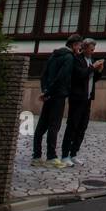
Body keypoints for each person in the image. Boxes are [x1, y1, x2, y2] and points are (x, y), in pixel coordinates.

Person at [31, 34, 82, 168]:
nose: (80, 49)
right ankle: (51, 157)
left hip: (49, 94)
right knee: (54, 125)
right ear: (74, 45)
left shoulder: (54, 55)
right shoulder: (69, 57)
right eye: (79, 46)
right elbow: (62, 76)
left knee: (42, 125)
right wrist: (50, 92)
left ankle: (36, 156)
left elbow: (44, 75)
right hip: (58, 95)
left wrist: (45, 91)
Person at [60, 37, 104, 166]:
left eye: (93, 49)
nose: (92, 52)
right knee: (72, 126)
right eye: (91, 49)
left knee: (82, 127)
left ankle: (74, 153)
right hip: (77, 98)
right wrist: (92, 68)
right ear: (84, 48)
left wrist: (99, 71)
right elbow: (79, 75)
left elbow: (92, 79)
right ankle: (64, 155)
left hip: (88, 98)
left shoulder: (91, 60)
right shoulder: (77, 60)